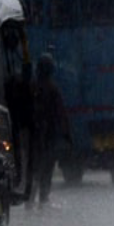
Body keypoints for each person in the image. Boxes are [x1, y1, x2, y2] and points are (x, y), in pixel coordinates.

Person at [30, 53, 70, 207]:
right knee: (46, 172)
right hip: (48, 139)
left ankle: (30, 201)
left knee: (34, 171)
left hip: (34, 138)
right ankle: (43, 200)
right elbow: (61, 115)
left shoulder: (32, 87)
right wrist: (67, 136)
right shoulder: (53, 90)